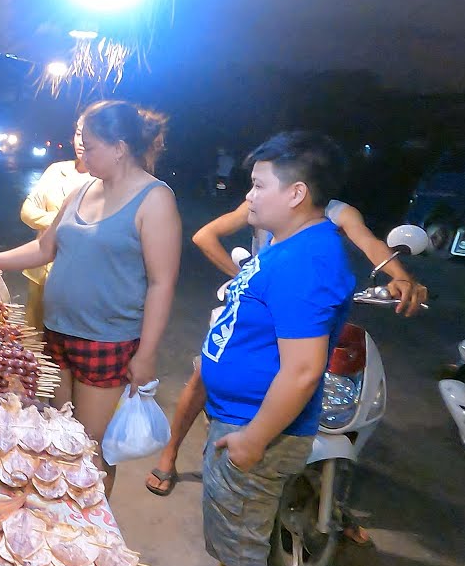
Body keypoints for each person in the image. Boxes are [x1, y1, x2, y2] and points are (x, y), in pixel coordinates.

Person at [157, 132, 356, 566]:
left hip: (258, 428)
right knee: (232, 527)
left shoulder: (306, 262)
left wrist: (254, 438)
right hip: (238, 416)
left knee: (244, 541)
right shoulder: (287, 245)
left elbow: (304, 370)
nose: (249, 197)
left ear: (296, 193)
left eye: (258, 185)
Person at [144, 197, 429, 544]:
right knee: (203, 375)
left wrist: (399, 276)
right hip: (253, 319)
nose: (257, 189)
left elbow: (367, 240)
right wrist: (248, 283)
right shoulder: (264, 202)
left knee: (306, 387)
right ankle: (169, 453)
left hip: (301, 315)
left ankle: (327, 497)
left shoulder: (335, 213)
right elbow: (205, 236)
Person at [0, 101, 181, 496]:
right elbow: (46, 247)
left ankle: (90, 534)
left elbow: (162, 283)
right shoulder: (83, 189)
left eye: (91, 146)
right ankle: (59, 517)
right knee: (58, 436)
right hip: (56, 333)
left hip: (106, 341)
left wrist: (146, 355)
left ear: (120, 146)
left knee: (91, 453)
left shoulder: (154, 200)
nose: (82, 152)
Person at [19, 116, 92, 328]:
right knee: (32, 336)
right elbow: (27, 212)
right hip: (40, 269)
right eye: (78, 133)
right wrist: (63, 221)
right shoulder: (57, 170)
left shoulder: (103, 182)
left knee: (61, 340)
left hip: (76, 278)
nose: (81, 141)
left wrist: (52, 223)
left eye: (87, 135)